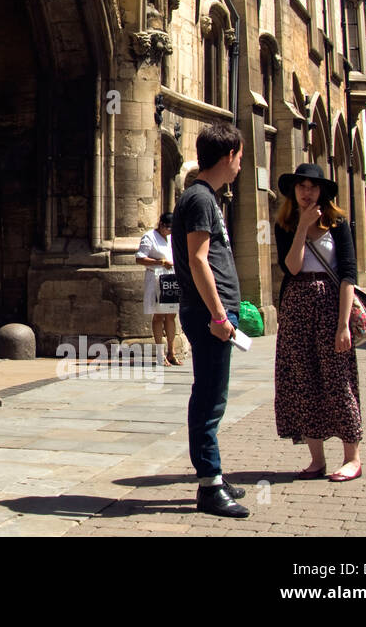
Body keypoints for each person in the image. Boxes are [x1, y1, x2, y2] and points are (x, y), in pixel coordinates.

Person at [171, 123, 248, 518]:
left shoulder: (204, 197)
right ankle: (209, 485)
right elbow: (199, 259)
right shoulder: (200, 199)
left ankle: (213, 475)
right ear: (228, 155)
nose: (240, 166)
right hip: (208, 314)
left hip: (213, 312)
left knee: (212, 396)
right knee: (209, 398)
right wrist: (219, 314)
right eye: (239, 157)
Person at [273, 163, 363, 482]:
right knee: (303, 380)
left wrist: (343, 325)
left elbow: (348, 273)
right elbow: (292, 269)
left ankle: (352, 458)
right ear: (294, 191)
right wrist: (301, 227)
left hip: (329, 305)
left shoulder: (338, 223)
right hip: (296, 306)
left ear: (322, 190)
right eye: (301, 186)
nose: (307, 192)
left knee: (338, 380)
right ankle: (316, 460)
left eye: (312, 186)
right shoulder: (285, 223)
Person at [137, 212, 180, 365]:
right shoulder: (149, 237)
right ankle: (160, 354)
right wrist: (160, 262)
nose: (169, 231)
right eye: (168, 228)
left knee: (171, 315)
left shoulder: (171, 238)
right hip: (156, 278)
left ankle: (171, 351)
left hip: (171, 278)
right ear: (161, 224)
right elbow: (140, 258)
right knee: (158, 316)